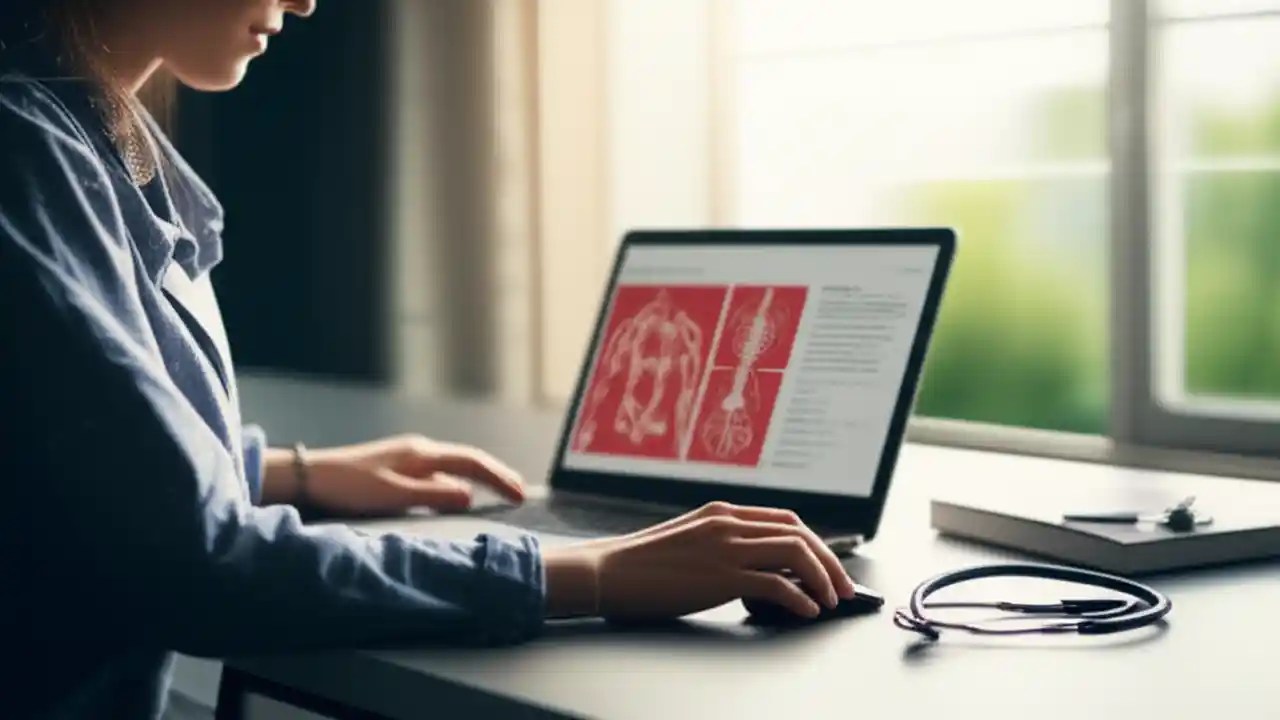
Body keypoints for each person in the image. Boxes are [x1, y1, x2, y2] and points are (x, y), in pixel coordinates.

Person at [0, 1, 857, 717]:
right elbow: (198, 563)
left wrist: (295, 473)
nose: (306, 1)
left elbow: (73, 463)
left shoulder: (84, 130)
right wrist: (592, 573)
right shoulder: (23, 157)